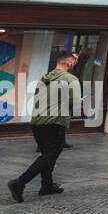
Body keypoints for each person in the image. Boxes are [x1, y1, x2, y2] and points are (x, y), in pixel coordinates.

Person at [7, 51, 80, 202]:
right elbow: (75, 102)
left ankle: (46, 186)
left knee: (47, 155)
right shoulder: (70, 79)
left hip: (38, 122)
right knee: (50, 155)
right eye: (75, 61)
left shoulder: (44, 78)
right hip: (55, 122)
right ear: (69, 63)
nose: (75, 64)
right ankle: (19, 183)